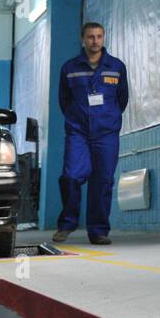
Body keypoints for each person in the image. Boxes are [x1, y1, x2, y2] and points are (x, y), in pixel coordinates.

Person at [53, 22, 128, 244]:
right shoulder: (70, 68)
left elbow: (122, 99)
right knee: (72, 176)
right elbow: (64, 100)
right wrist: (77, 117)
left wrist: (109, 118)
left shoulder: (116, 66)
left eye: (99, 36)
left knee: (103, 181)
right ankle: (67, 223)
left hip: (106, 133)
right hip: (78, 132)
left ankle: (98, 231)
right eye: (90, 37)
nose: (95, 41)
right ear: (82, 39)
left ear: (103, 38)